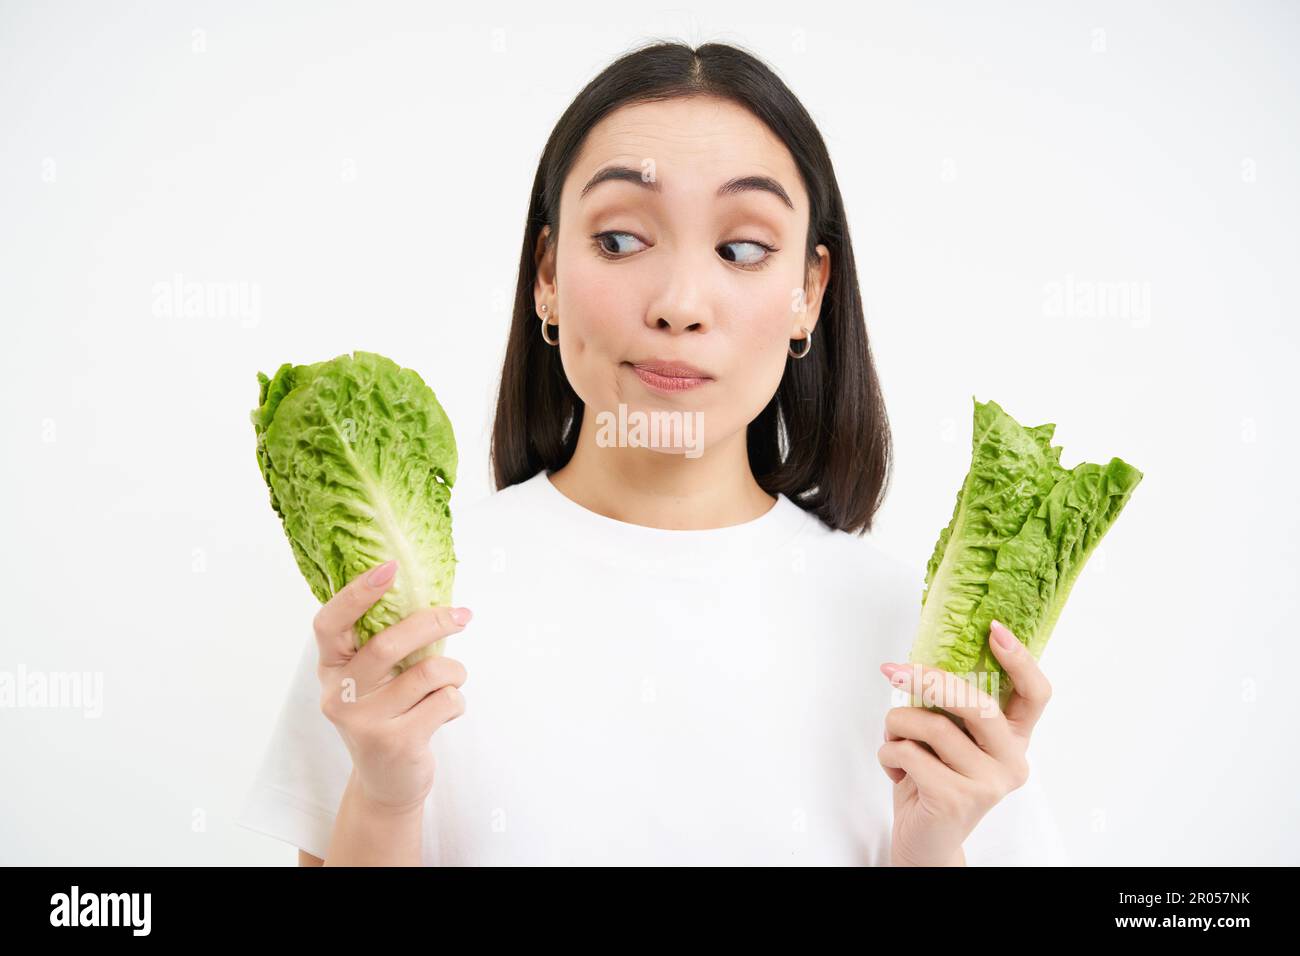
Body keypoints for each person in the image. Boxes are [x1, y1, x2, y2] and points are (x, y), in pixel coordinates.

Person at [236, 39, 1069, 866]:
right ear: (547, 276)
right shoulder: (400, 617)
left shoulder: (911, 641)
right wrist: (385, 799)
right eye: (621, 240)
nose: (678, 304)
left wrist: (927, 848)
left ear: (807, 294)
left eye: (742, 249)